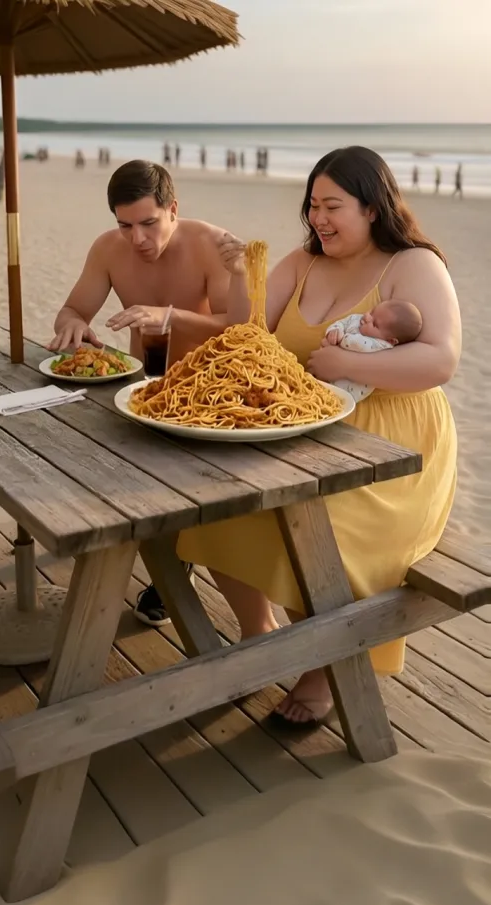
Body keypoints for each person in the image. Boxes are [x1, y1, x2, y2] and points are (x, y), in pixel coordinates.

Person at [175, 145, 460, 729]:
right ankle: (261, 637)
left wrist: (351, 368)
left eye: (333, 206)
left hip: (394, 451)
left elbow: (441, 361)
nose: (319, 219)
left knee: (322, 531)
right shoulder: (301, 262)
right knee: (213, 512)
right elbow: (242, 329)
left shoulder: (412, 265)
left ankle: (323, 666)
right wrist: (235, 274)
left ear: (373, 207)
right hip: (302, 433)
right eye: (312, 205)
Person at [49, 159, 235, 625]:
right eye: (125, 225)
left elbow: (238, 328)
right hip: (142, 389)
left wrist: (169, 315)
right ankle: (153, 561)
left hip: (208, 392)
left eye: (149, 223)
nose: (138, 239)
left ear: (173, 209)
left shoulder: (213, 244)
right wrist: (73, 326)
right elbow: (74, 307)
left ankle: (177, 565)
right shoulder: (109, 249)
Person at [324, 299, 423, 402]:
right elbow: (342, 323)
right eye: (372, 312)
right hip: (331, 371)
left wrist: (341, 338)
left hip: (349, 388)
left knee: (336, 399)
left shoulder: (380, 346)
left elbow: (354, 344)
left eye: (374, 324)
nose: (367, 317)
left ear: (390, 340)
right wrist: (335, 330)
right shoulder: (358, 320)